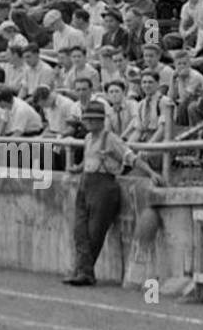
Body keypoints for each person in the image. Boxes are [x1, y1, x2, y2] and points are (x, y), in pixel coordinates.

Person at [63, 104, 163, 287]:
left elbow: (130, 157)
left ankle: (84, 272)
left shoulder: (111, 139)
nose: (89, 122)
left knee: (95, 231)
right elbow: (88, 158)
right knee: (80, 230)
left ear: (102, 120)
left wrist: (150, 173)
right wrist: (77, 168)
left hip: (104, 185)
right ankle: (82, 270)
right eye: (87, 119)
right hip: (86, 182)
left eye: (93, 119)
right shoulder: (87, 138)